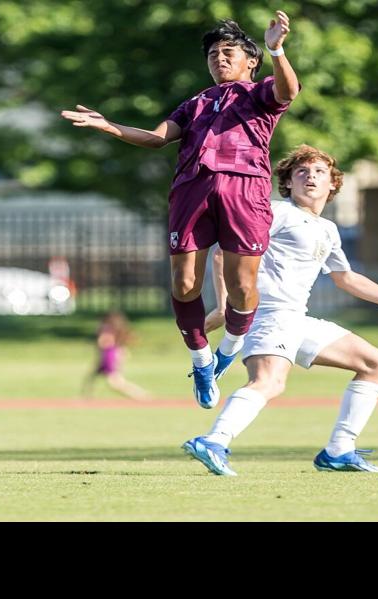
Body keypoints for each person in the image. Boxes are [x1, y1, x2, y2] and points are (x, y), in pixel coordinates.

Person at [61, 13, 297, 409]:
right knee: (184, 281)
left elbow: (288, 91)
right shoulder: (195, 104)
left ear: (251, 61)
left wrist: (276, 49)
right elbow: (157, 138)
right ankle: (202, 360)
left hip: (244, 188)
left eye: (228, 52)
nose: (219, 58)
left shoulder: (261, 93)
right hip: (192, 188)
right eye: (213, 54)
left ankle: (230, 346)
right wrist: (109, 126)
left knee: (241, 287)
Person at [181, 145, 378, 476]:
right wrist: (227, 305)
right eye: (302, 172)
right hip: (268, 315)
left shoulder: (327, 229)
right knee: (269, 382)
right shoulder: (277, 212)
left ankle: (338, 451)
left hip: (296, 318)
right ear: (288, 183)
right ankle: (214, 441)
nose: (311, 177)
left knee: (377, 364)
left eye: (319, 172)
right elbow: (225, 252)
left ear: (333, 183)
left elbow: (346, 279)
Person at [83, 311, 152, 401]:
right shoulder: (112, 329)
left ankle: (140, 395)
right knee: (92, 377)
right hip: (107, 355)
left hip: (108, 355)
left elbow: (104, 342)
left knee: (115, 382)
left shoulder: (106, 329)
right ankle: (87, 397)